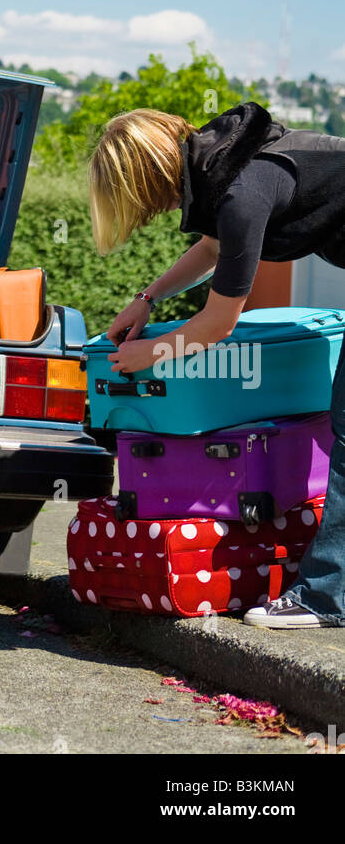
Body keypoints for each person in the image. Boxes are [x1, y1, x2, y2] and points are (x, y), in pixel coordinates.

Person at [89, 100, 345, 630]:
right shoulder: (226, 162)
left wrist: (149, 354)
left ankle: (326, 598)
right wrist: (147, 298)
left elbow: (217, 325)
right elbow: (213, 249)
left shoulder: (240, 192)